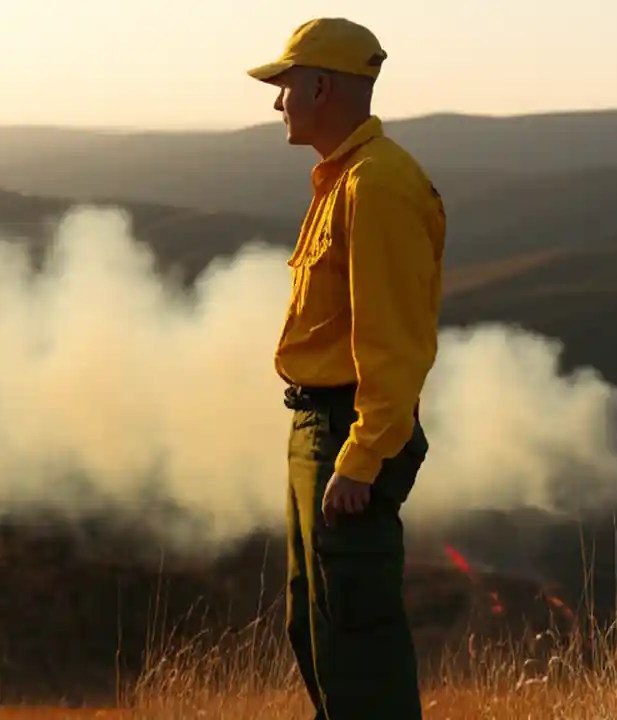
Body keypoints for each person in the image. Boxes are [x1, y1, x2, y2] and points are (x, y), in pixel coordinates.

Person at [246, 18, 445, 720]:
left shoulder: (378, 184)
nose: (278, 103)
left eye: (286, 86)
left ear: (322, 86)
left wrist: (359, 459)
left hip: (343, 430)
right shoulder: (346, 179)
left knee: (355, 644)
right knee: (318, 628)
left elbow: (395, 341)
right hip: (318, 425)